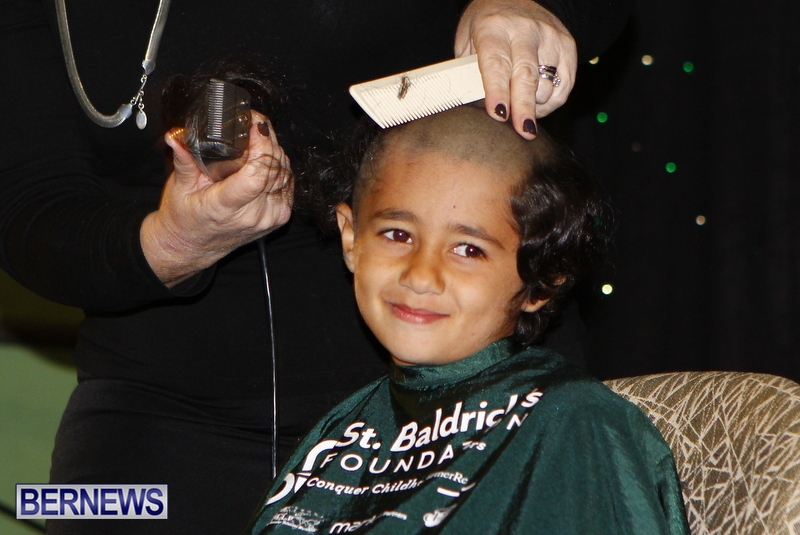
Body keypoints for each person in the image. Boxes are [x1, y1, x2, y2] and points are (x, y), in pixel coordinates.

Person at [0, 0, 632, 533]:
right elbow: (29, 212)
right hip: (153, 419)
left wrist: (532, 9)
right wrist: (175, 242)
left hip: (454, 397)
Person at [248, 103, 689, 534]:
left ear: (541, 280)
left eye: (468, 249)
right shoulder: (338, 434)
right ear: (351, 239)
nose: (421, 276)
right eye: (398, 235)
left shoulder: (573, 425)